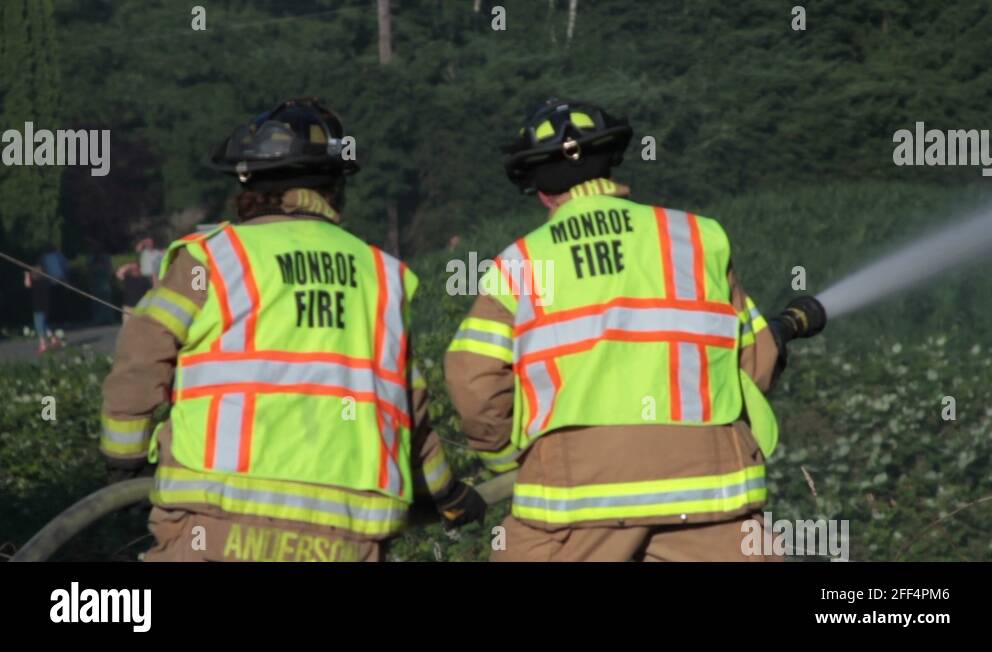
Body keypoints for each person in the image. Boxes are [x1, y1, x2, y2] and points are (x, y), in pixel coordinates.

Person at [99, 97, 485, 562]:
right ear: (335, 185)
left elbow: (141, 355)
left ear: (247, 182)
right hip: (344, 539)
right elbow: (409, 411)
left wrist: (124, 461)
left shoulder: (215, 259)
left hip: (217, 528)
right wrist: (448, 496)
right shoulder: (380, 276)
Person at [444, 98, 825, 561]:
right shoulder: (697, 238)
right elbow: (756, 365)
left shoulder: (518, 264)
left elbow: (474, 384)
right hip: (708, 492)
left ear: (540, 190)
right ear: (614, 164)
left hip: (574, 501)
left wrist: (511, 463)